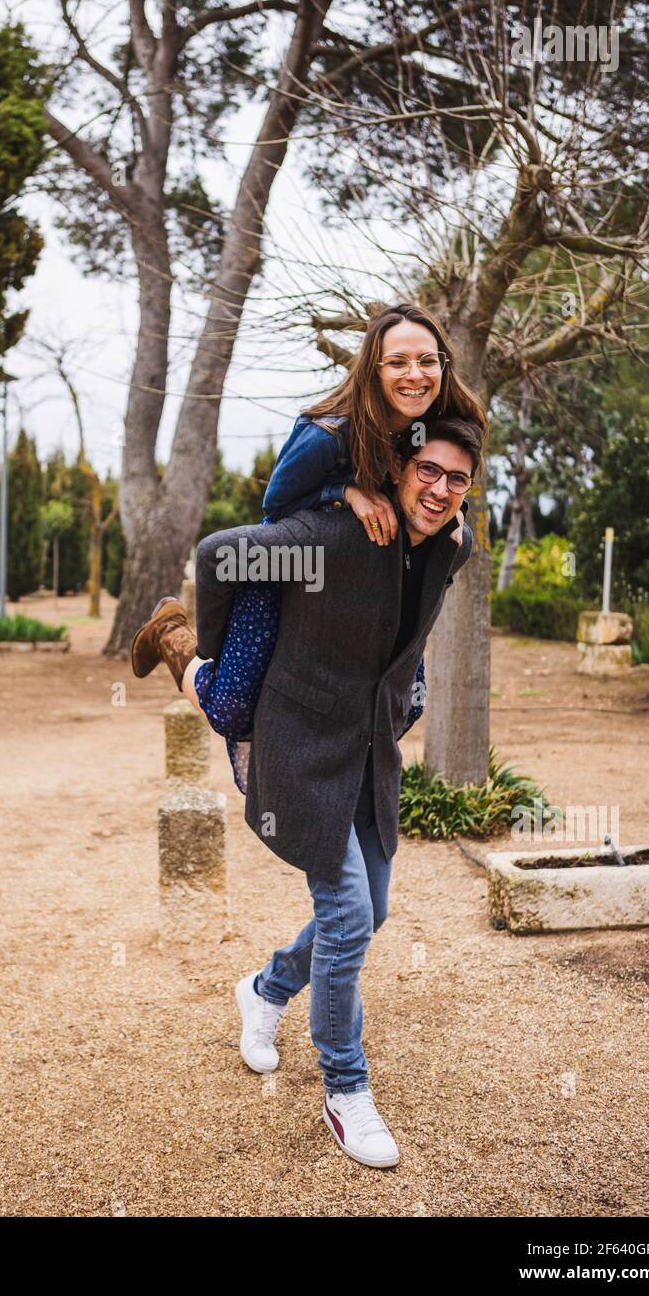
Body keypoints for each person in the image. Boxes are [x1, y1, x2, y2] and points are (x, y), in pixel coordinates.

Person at [195, 415, 483, 1168]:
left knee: (372, 908)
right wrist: (221, 665)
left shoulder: (453, 544)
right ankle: (345, 1090)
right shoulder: (336, 534)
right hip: (297, 745)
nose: (439, 489)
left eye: (457, 479)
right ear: (396, 468)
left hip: (370, 751)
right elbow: (218, 555)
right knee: (349, 912)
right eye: (426, 470)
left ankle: (266, 987)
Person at [130, 303, 485, 792]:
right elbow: (275, 504)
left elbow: (452, 474)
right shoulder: (330, 433)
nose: (415, 374)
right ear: (374, 368)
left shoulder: (447, 414)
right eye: (398, 362)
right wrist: (345, 492)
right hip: (291, 563)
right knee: (232, 706)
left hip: (377, 575)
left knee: (410, 700)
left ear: (444, 364)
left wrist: (453, 508)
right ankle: (171, 637)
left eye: (427, 361)